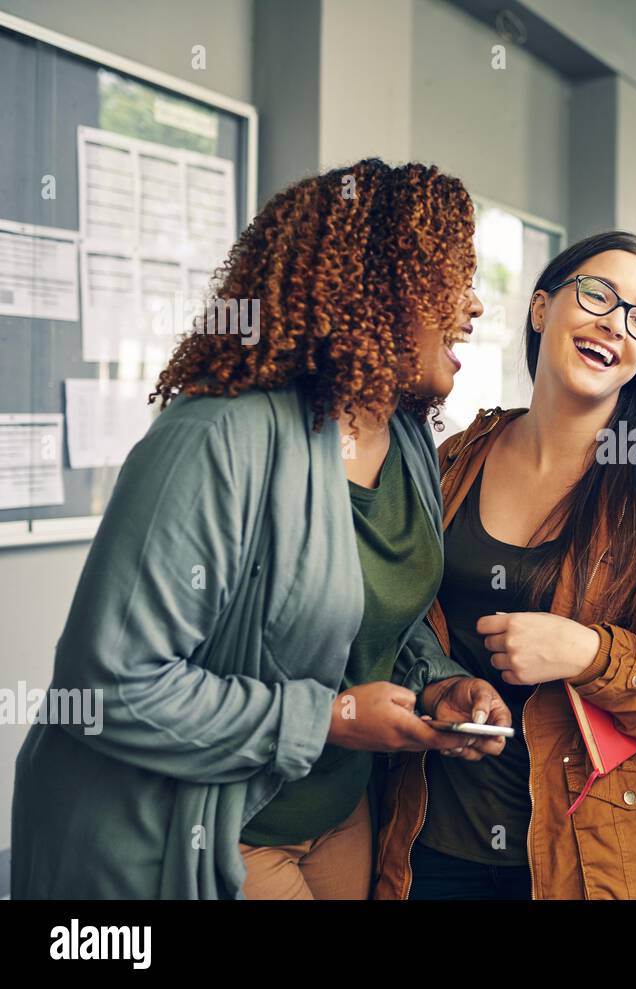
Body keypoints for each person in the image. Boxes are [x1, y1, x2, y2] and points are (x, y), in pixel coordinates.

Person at [10, 160, 510, 899]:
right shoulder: (217, 437)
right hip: (209, 820)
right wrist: (330, 718)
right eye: (446, 279)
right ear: (374, 286)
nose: (470, 307)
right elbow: (112, 685)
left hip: (337, 809)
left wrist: (438, 684)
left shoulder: (406, 439)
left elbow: (377, 623)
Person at [373, 231, 636, 900]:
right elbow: (397, 618)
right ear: (540, 308)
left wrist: (589, 652)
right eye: (597, 294)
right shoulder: (456, 458)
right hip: (427, 837)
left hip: (585, 858)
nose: (614, 324)